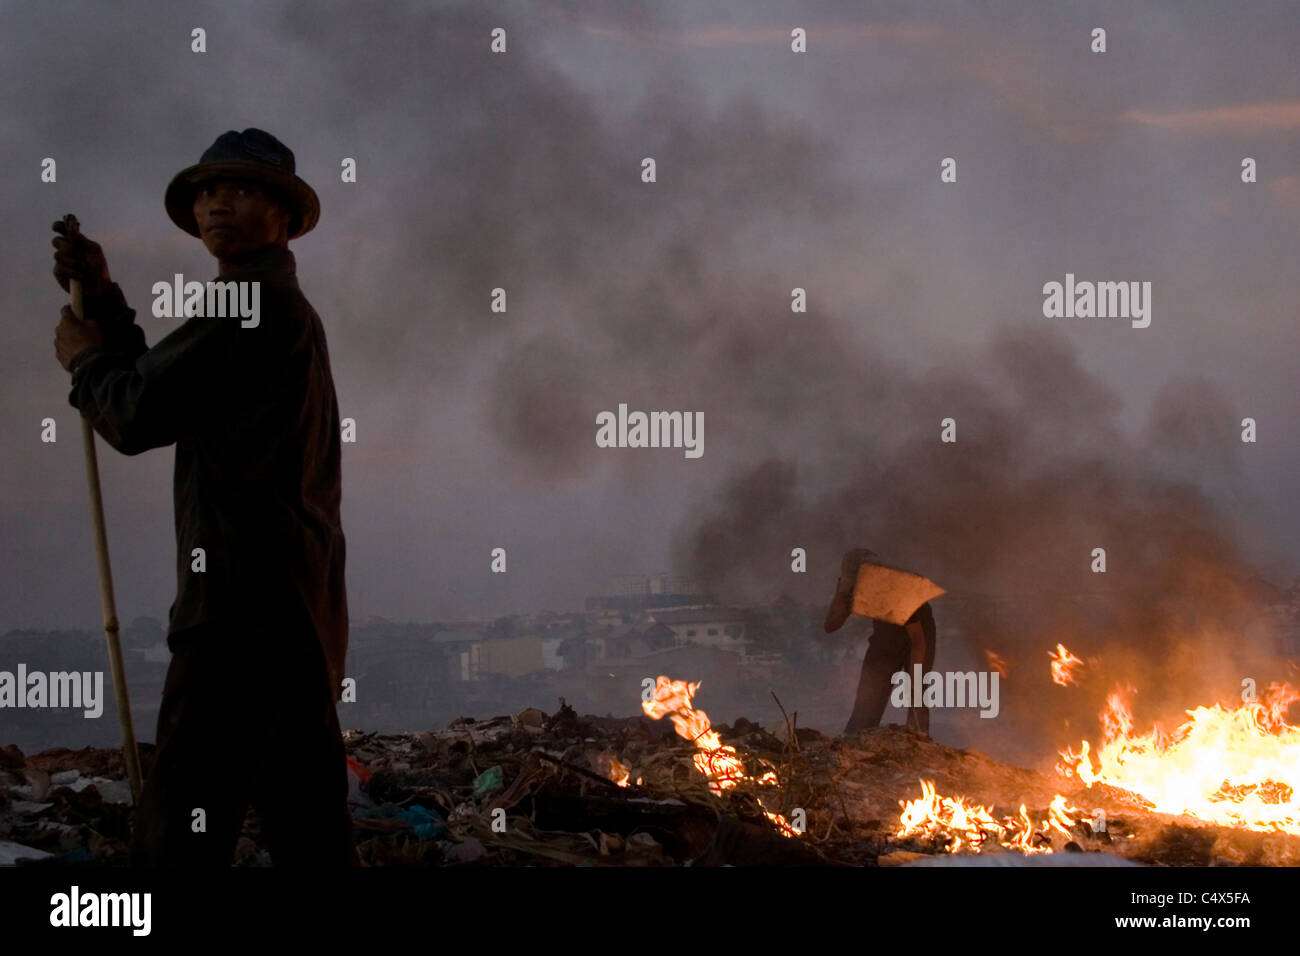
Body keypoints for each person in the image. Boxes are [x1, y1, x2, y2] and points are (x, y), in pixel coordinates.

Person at [52, 128, 357, 866]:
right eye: (208, 191)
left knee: (181, 822)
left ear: (283, 215)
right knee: (305, 820)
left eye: (243, 189)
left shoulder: (252, 304)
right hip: (298, 609)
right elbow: (167, 382)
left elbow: (135, 412)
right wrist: (106, 298)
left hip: (238, 611)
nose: (220, 203)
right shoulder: (269, 307)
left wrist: (84, 357)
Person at [823, 548, 937, 736]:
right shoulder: (848, 585)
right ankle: (855, 738)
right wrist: (844, 606)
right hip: (885, 633)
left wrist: (915, 678)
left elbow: (918, 642)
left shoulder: (898, 588)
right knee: (868, 698)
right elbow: (830, 626)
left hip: (917, 633)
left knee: (917, 697)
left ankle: (919, 740)